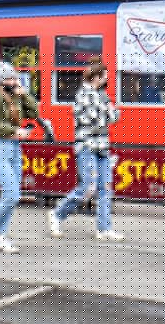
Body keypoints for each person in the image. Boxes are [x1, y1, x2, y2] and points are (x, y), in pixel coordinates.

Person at [49, 63, 123, 242]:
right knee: (87, 188)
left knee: (105, 188)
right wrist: (108, 115)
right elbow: (93, 121)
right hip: (86, 147)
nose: (107, 79)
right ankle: (57, 214)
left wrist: (106, 115)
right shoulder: (81, 95)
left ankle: (104, 229)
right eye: (105, 76)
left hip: (103, 147)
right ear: (96, 77)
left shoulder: (102, 96)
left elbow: (113, 117)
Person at [0, 61, 40, 254]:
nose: (14, 81)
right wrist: (15, 130)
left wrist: (26, 95)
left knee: (13, 196)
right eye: (9, 78)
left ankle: (2, 235)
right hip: (0, 149)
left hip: (15, 148)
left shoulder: (16, 97)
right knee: (12, 194)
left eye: (14, 77)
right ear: (0, 80)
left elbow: (35, 113)